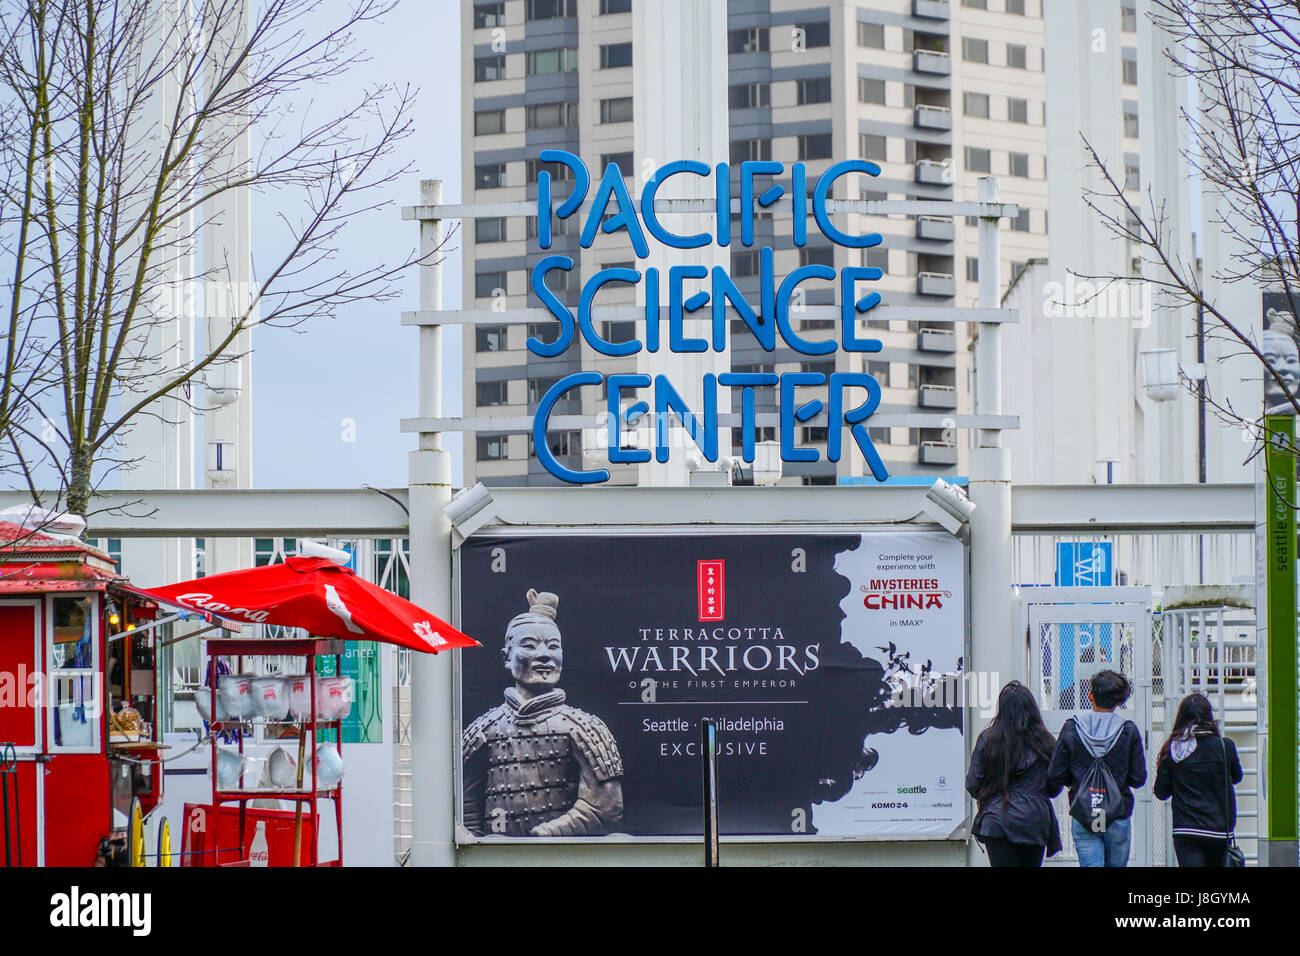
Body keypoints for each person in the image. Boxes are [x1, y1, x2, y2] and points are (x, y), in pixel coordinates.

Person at [462, 588, 624, 837]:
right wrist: (480, 847)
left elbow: (605, 808)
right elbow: (464, 810)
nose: (545, 655)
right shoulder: (483, 730)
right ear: (507, 658)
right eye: (529, 645)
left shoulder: (585, 727)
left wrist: (547, 836)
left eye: (553, 646)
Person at [1047, 669, 1147, 867]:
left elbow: (1055, 773)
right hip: (1117, 814)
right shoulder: (1128, 730)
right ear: (1119, 701)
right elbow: (1138, 778)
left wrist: (1077, 780)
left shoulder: (1072, 727)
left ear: (1090, 695)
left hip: (1085, 813)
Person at [965, 681, 1063, 867]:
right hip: (1035, 819)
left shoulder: (988, 739)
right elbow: (1054, 788)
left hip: (997, 819)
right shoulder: (1045, 742)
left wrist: (992, 794)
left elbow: (973, 785)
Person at [1153, 693, 1243, 867]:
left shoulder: (1173, 749)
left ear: (1181, 718)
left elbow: (1161, 792)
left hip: (1186, 830)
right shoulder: (1225, 746)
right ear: (1209, 717)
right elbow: (1237, 777)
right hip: (1219, 829)